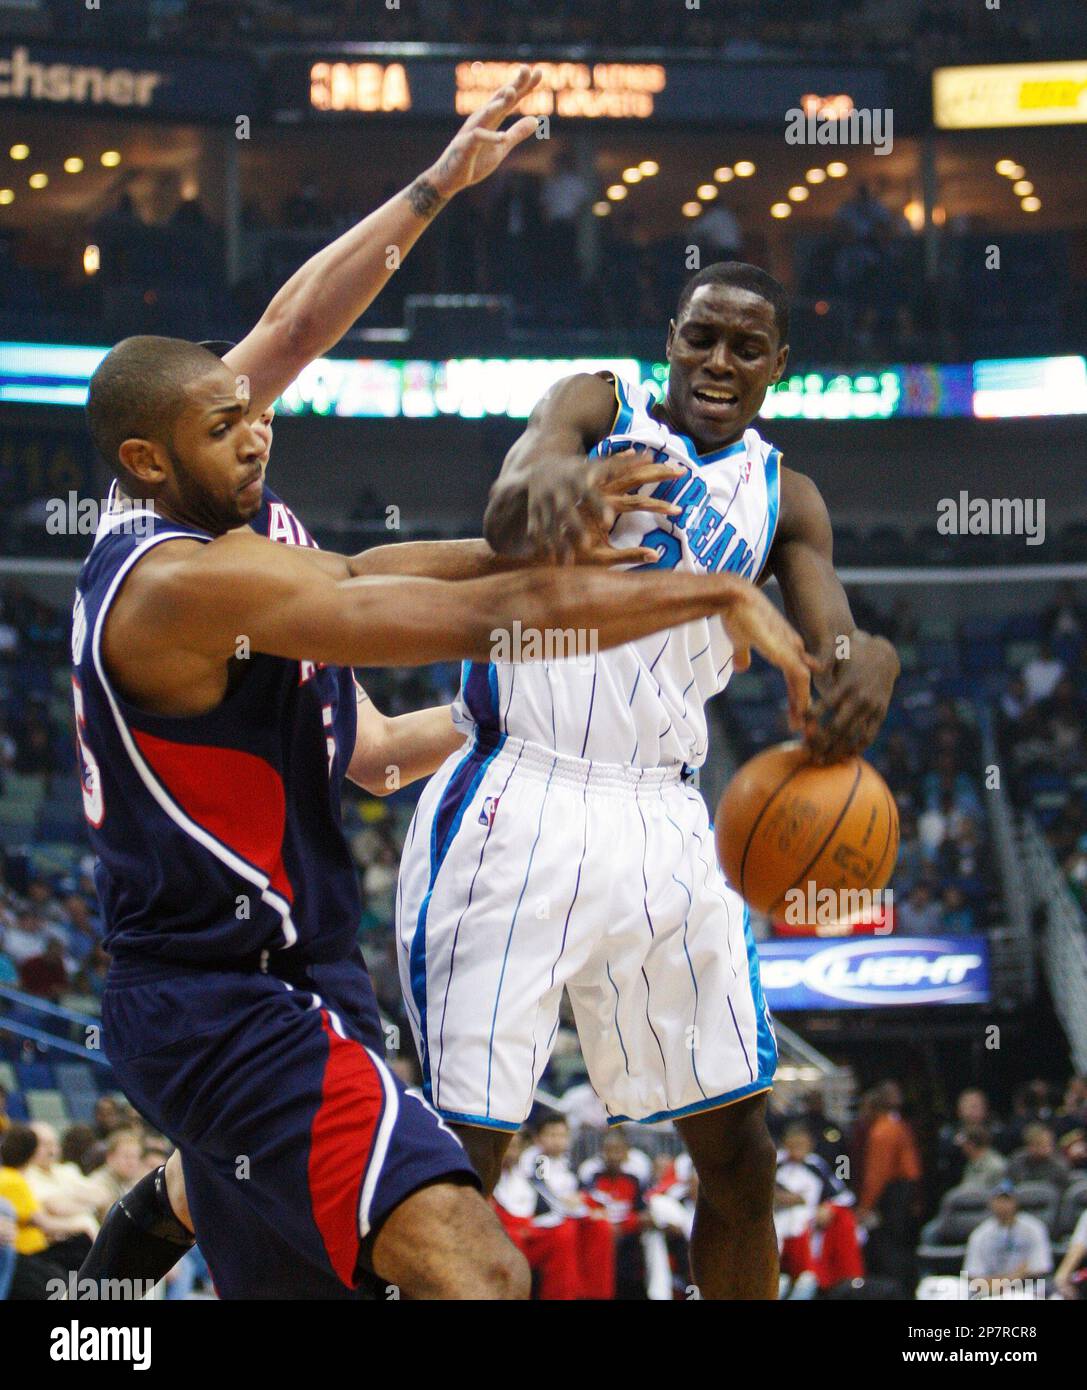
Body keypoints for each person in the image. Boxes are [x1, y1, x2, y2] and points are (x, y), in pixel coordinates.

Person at [74, 271, 810, 1315]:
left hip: (280, 981)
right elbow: (466, 615)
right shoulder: (188, 582)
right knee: (474, 1253)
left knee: (279, 1217)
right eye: (227, 423)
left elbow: (367, 636)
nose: (260, 432)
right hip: (224, 991)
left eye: (256, 412)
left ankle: (92, 1311)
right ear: (149, 460)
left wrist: (443, 182)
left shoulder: (217, 551)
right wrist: (703, 589)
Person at [397, 259, 899, 1299]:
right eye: (701, 336)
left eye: (745, 346)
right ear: (669, 336)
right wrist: (552, 479)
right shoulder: (600, 401)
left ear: (778, 368)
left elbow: (834, 638)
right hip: (519, 791)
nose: (718, 361)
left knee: (741, 1156)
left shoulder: (783, 497)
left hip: (666, 818)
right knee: (459, 1164)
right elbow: (509, 507)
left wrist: (872, 663)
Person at [962, 1180, 1053, 1295]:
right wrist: (1012, 1277)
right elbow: (975, 1278)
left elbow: (1040, 1269)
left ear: (1016, 1202)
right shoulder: (980, 1234)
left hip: (1028, 1289)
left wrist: (1006, 1281)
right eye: (999, 1200)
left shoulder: (1034, 1228)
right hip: (990, 1292)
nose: (1003, 1205)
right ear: (991, 1203)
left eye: (1007, 1200)